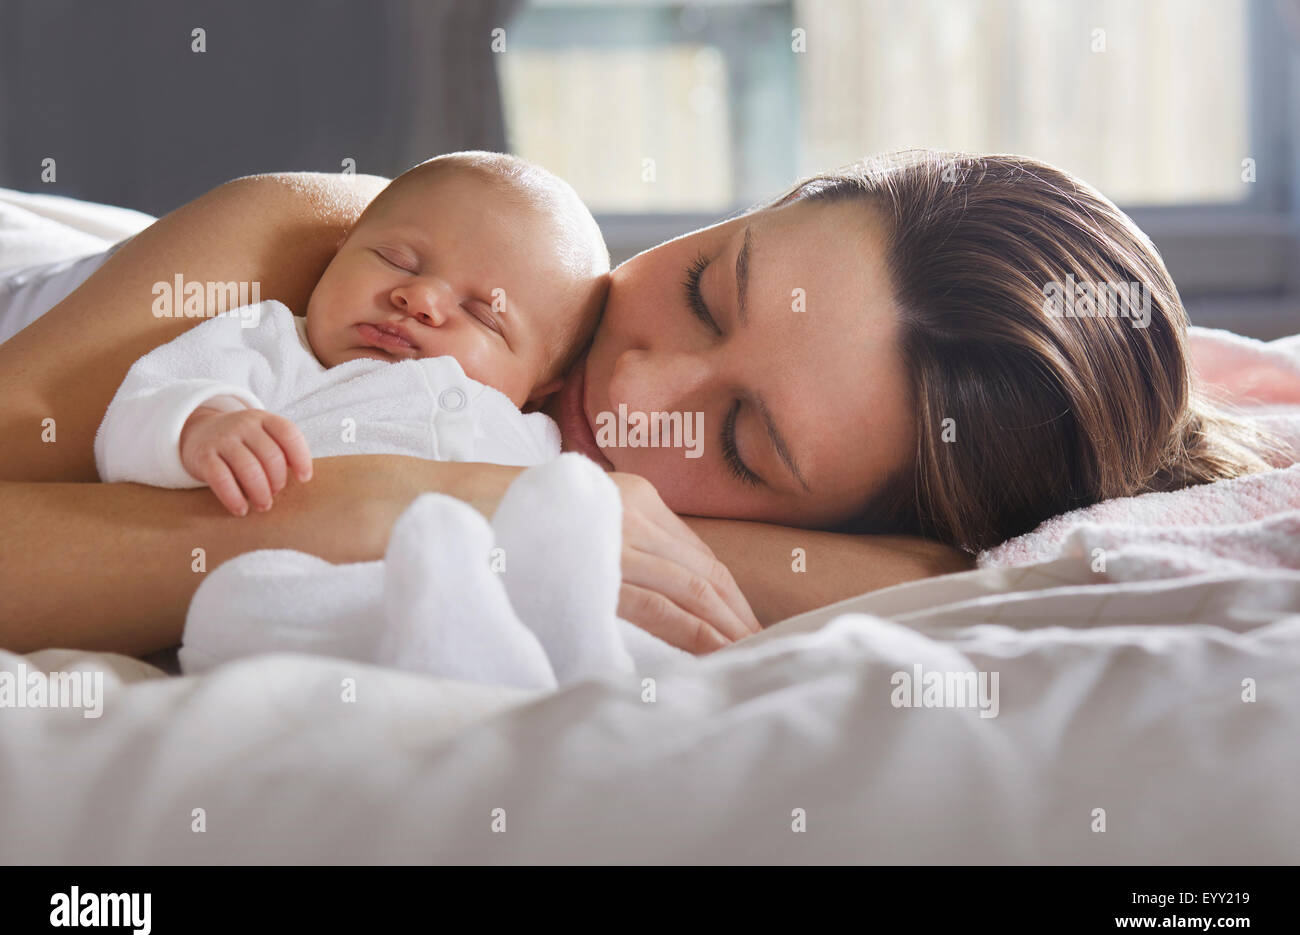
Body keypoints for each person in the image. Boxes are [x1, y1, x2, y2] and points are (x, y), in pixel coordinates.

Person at [9, 149, 1275, 658]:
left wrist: (521, 503)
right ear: (760, 205)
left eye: (739, 440)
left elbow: (935, 566)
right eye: (712, 290)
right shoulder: (347, 252)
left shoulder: (888, 549)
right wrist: (413, 498)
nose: (631, 384)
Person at [95, 152, 609, 515]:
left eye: (483, 314)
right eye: (395, 260)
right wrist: (198, 427)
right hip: (291, 591)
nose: (421, 299)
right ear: (337, 253)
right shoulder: (273, 347)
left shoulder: (539, 443)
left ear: (541, 388)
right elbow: (137, 407)